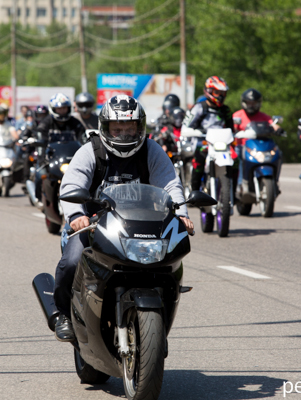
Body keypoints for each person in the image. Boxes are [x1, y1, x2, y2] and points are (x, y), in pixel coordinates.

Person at [52, 94, 195, 342]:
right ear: (105, 127)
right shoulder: (90, 151)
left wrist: (181, 214)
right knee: (72, 261)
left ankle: (162, 307)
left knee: (170, 262)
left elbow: (170, 185)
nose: (124, 134)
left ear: (140, 126)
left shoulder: (152, 150)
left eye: (130, 128)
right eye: (117, 128)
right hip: (94, 225)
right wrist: (76, 215)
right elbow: (71, 185)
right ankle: (64, 314)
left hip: (142, 225)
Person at [182, 76, 234, 191]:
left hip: (221, 146)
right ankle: (194, 192)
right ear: (209, 91)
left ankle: (232, 193)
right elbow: (185, 127)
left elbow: (231, 129)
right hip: (203, 144)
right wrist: (196, 132)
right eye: (217, 92)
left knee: (236, 161)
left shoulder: (226, 110)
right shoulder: (199, 108)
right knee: (199, 161)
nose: (221, 96)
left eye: (223, 93)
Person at [32, 93, 85, 203]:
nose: (62, 111)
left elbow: (83, 141)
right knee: (40, 173)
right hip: (51, 158)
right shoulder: (45, 123)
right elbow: (41, 142)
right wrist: (42, 160)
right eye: (59, 109)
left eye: (64, 108)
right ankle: (39, 199)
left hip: (71, 159)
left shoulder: (76, 123)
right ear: (53, 109)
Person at [233, 88, 283, 190]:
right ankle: (239, 183)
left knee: (278, 154)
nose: (251, 105)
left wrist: (278, 129)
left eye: (254, 103)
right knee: (236, 157)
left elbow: (273, 124)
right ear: (244, 103)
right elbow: (231, 126)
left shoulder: (263, 116)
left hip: (259, 146)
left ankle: (274, 180)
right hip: (243, 146)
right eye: (249, 103)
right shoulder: (238, 115)